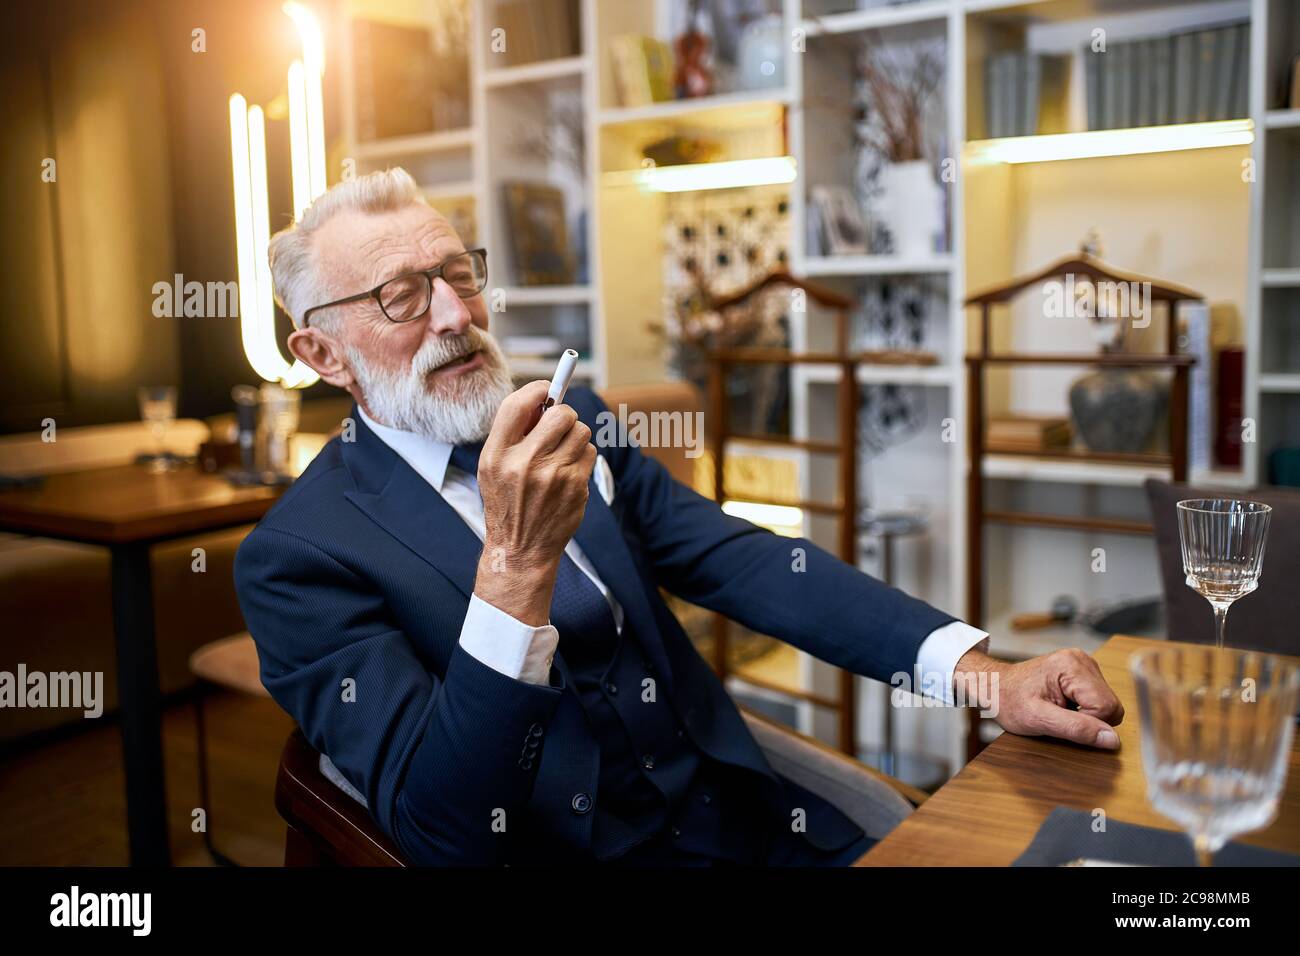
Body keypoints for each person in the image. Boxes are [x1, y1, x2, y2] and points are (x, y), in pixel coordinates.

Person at [235, 168, 1123, 866]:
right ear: (322, 352)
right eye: (401, 295)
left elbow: (746, 561)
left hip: (753, 826)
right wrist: (513, 565)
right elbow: (445, 832)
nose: (457, 316)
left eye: (460, 275)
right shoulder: (299, 559)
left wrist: (984, 677)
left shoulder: (567, 421)